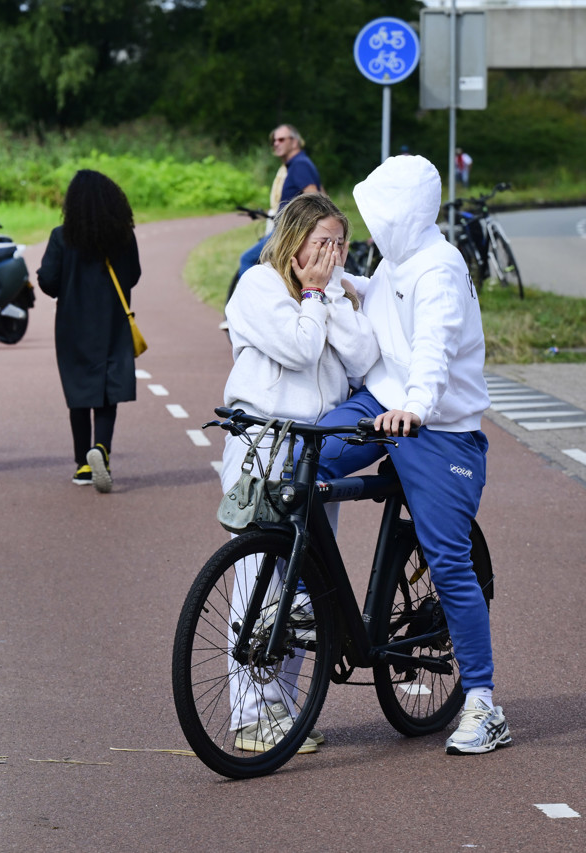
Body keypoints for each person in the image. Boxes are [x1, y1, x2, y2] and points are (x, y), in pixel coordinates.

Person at [314, 155, 506, 756]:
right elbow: (391, 299)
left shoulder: (441, 270)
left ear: (403, 214)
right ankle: (304, 592)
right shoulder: (399, 257)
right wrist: (355, 285)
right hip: (381, 402)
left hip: (439, 427)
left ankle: (482, 702)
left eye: (378, 211)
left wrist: (417, 407)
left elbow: (434, 346)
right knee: (305, 458)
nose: (370, 224)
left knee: (448, 563)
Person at [220, 192, 378, 754]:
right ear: (294, 243)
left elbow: (364, 360)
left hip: (317, 449)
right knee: (261, 581)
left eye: (341, 243)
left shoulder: (330, 293)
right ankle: (247, 713)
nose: (334, 253)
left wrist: (332, 295)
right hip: (266, 446)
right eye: (323, 243)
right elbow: (298, 349)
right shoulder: (260, 288)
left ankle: (283, 708)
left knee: (303, 590)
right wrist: (314, 295)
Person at [36, 170, 141, 493]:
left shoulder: (60, 236)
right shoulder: (123, 236)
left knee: (78, 393)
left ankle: (83, 463)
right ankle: (102, 451)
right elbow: (133, 275)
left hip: (73, 324)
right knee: (108, 393)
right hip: (113, 322)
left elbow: (48, 281)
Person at [235, 125, 322, 284]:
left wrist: (299, 227)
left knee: (247, 259)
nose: (276, 143)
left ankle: (251, 302)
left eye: (281, 139)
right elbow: (324, 195)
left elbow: (315, 198)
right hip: (289, 229)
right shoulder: (303, 163)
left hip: (286, 232)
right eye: (274, 140)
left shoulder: (299, 165)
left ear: (295, 142)